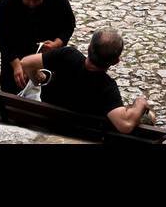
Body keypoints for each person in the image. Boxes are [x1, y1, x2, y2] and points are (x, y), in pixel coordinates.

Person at [15, 28, 152, 133]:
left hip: (51, 123)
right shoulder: (107, 88)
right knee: (149, 117)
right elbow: (125, 125)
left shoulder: (67, 55)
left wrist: (37, 78)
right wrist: (140, 102)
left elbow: (26, 63)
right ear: (116, 61)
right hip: (82, 133)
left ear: (89, 48)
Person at [0, 0, 76, 94]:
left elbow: (69, 24)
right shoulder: (8, 0)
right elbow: (3, 37)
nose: (32, 4)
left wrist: (57, 44)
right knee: (13, 89)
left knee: (49, 90)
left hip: (46, 54)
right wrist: (16, 65)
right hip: (16, 53)